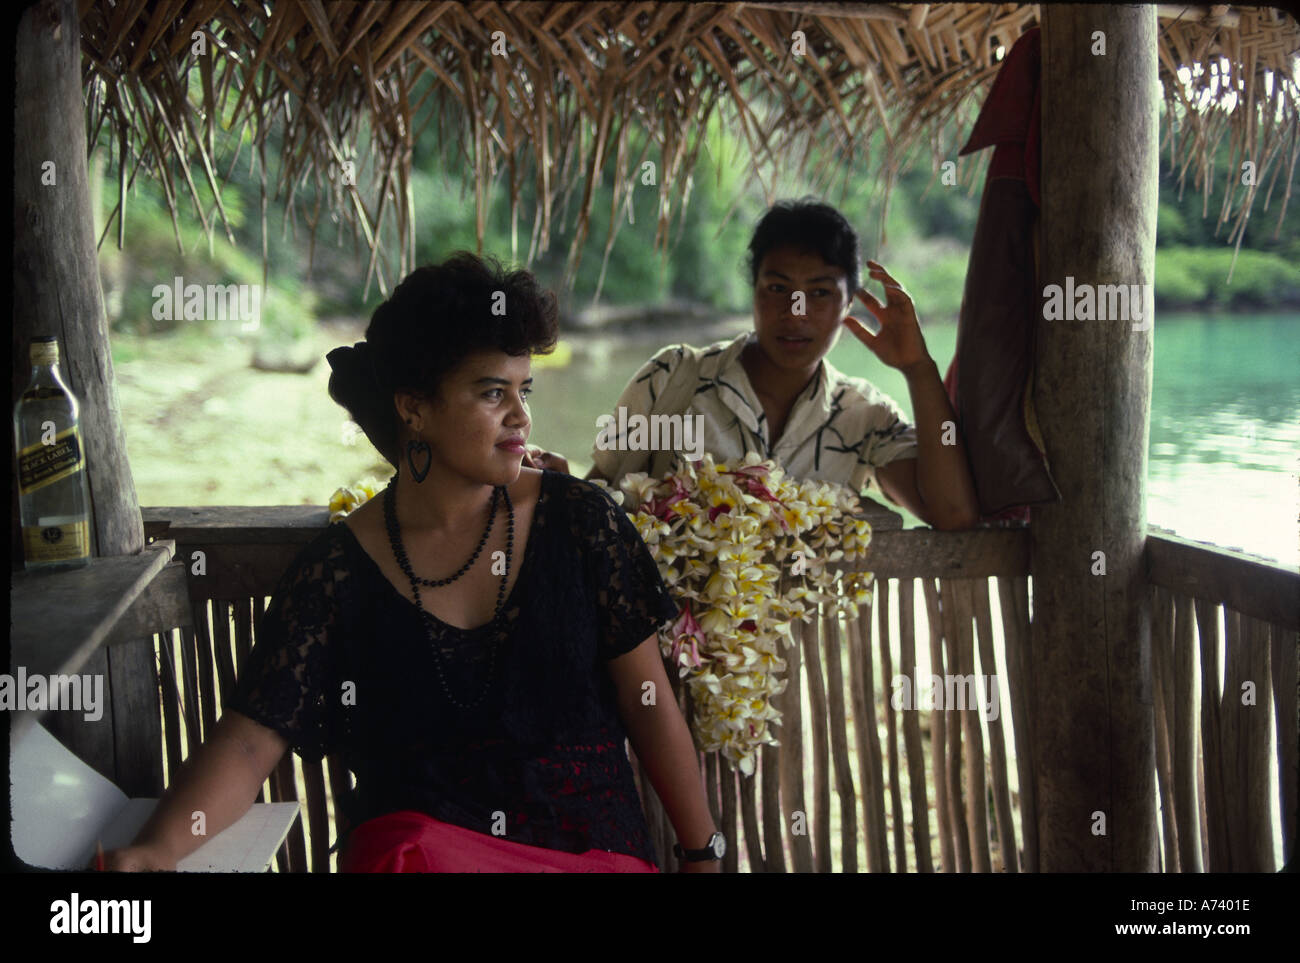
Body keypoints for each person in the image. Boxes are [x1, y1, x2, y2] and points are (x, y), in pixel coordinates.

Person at [102, 252, 723, 873]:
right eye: (491, 392)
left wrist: (702, 853)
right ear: (414, 408)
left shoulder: (582, 523)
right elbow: (248, 739)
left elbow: (649, 698)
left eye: (523, 390)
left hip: (588, 856)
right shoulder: (336, 576)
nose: (521, 415)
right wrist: (157, 850)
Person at [564, 199, 978, 529]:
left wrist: (919, 368)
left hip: (798, 635)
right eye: (778, 288)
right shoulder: (675, 378)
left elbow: (953, 512)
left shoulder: (864, 417)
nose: (795, 312)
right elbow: (600, 495)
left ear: (849, 304)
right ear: (754, 292)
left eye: (819, 294)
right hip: (667, 636)